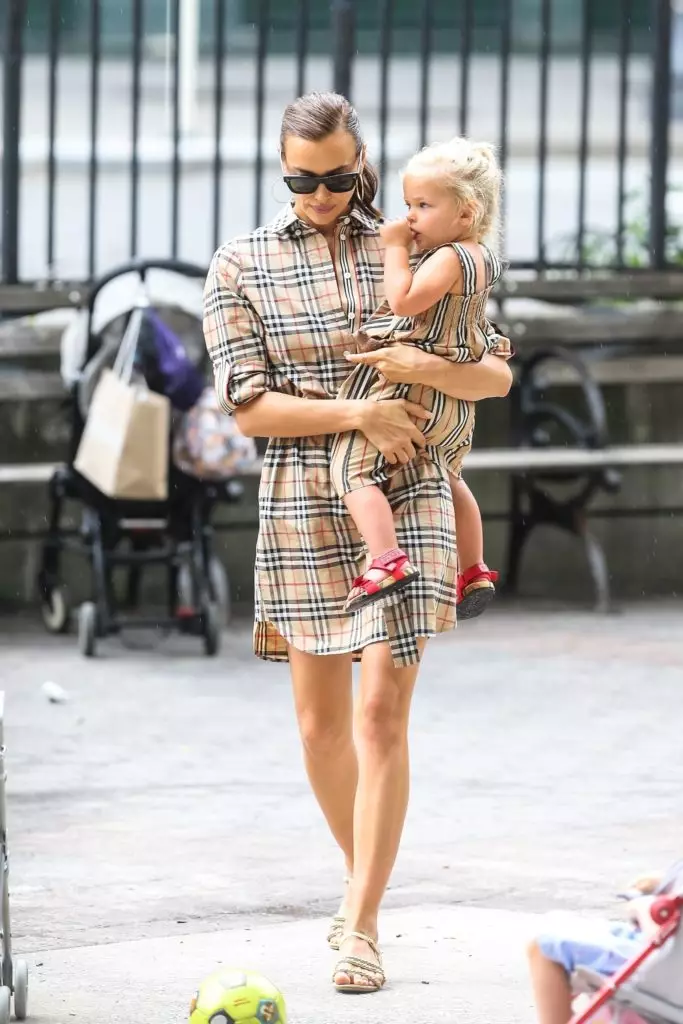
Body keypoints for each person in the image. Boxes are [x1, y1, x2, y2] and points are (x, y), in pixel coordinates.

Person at [203, 91, 512, 994]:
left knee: (380, 712)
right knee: (318, 724)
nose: (323, 195)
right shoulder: (240, 264)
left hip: (406, 480)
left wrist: (421, 371)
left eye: (339, 177)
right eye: (303, 180)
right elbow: (248, 405)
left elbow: (494, 371)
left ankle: (361, 924)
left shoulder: (424, 239)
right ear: (281, 170)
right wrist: (357, 410)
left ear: (362, 161)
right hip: (304, 492)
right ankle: (361, 882)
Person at [332, 136, 510, 618]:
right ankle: (473, 568)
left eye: (423, 205)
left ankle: (385, 560)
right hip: (455, 401)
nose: (409, 216)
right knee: (447, 476)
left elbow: (405, 301)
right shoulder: (483, 260)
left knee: (351, 468)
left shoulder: (448, 258)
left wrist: (394, 250)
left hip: (416, 392)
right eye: (408, 203)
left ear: (466, 213)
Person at [527, 867, 676, 1024]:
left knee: (543, 947)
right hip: (662, 956)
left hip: (660, 960)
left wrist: (641, 906)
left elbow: (658, 936)